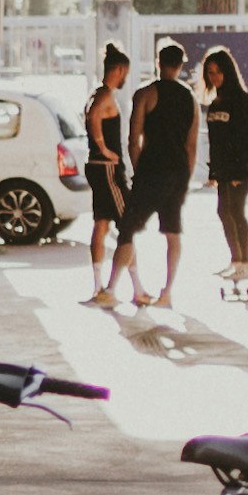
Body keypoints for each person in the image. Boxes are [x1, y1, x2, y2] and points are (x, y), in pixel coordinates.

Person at [126, 42, 197, 316]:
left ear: (158, 62)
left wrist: (137, 168)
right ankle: (167, 291)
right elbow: (191, 146)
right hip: (177, 171)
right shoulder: (190, 99)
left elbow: (134, 139)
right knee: (172, 232)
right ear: (180, 66)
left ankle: (137, 286)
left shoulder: (145, 93)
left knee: (128, 228)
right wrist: (186, 178)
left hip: (150, 170)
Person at [197, 42, 248, 292]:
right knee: (224, 212)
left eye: (218, 71)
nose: (215, 76)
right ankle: (235, 260)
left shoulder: (241, 100)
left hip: (239, 168)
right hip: (222, 169)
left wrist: (239, 171)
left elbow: (245, 138)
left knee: (237, 212)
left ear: (228, 71)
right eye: (210, 72)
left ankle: (247, 261)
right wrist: (214, 172)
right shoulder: (214, 104)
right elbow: (215, 141)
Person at [79, 37, 135, 307]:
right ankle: (131, 288)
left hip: (96, 167)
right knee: (128, 227)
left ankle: (99, 286)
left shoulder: (94, 92)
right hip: (108, 168)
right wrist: (104, 147)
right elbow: (93, 118)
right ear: (120, 70)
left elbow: (90, 115)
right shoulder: (105, 95)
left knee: (101, 225)